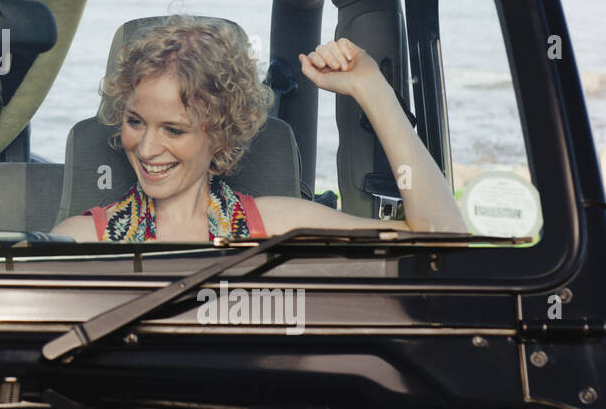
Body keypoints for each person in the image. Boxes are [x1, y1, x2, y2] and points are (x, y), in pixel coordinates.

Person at [52, 16, 466, 243]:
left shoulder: (280, 227)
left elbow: (442, 240)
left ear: (219, 135)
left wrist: (371, 87)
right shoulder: (79, 239)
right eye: (135, 122)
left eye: (173, 130)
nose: (145, 148)